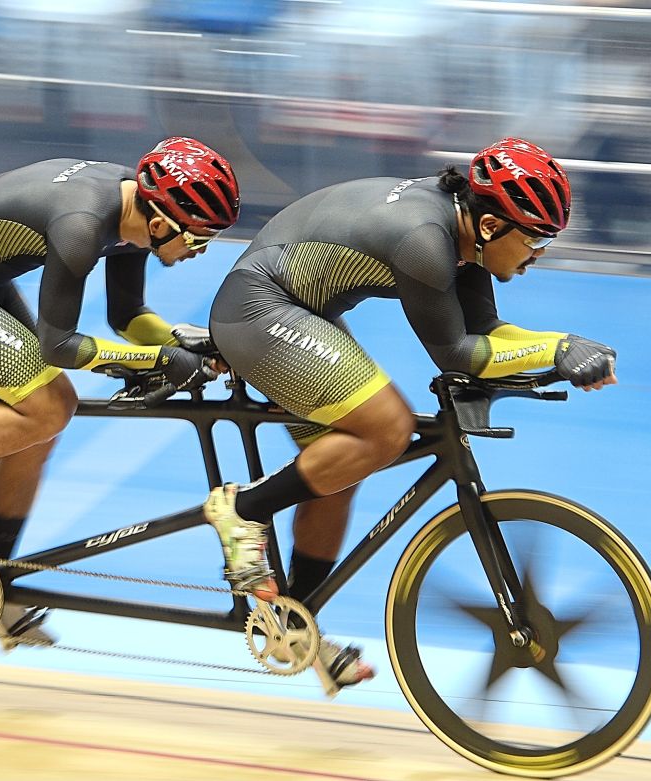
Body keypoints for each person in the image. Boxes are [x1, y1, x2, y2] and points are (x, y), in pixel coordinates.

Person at [204, 138, 617, 693]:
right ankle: (241, 509)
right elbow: (456, 354)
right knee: (388, 427)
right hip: (258, 310)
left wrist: (561, 347)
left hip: (294, 312)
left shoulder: (463, 233)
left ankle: (291, 622)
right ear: (493, 226)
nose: (539, 254)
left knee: (338, 474)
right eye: (537, 239)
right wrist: (559, 347)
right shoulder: (426, 241)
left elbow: (488, 336)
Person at [0, 137, 240, 648]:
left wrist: (185, 346)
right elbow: (60, 343)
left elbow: (126, 314)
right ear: (162, 224)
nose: (197, 254)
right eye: (198, 241)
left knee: (38, 424)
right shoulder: (83, 222)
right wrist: (159, 360)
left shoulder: (134, 210)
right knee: (46, 407)